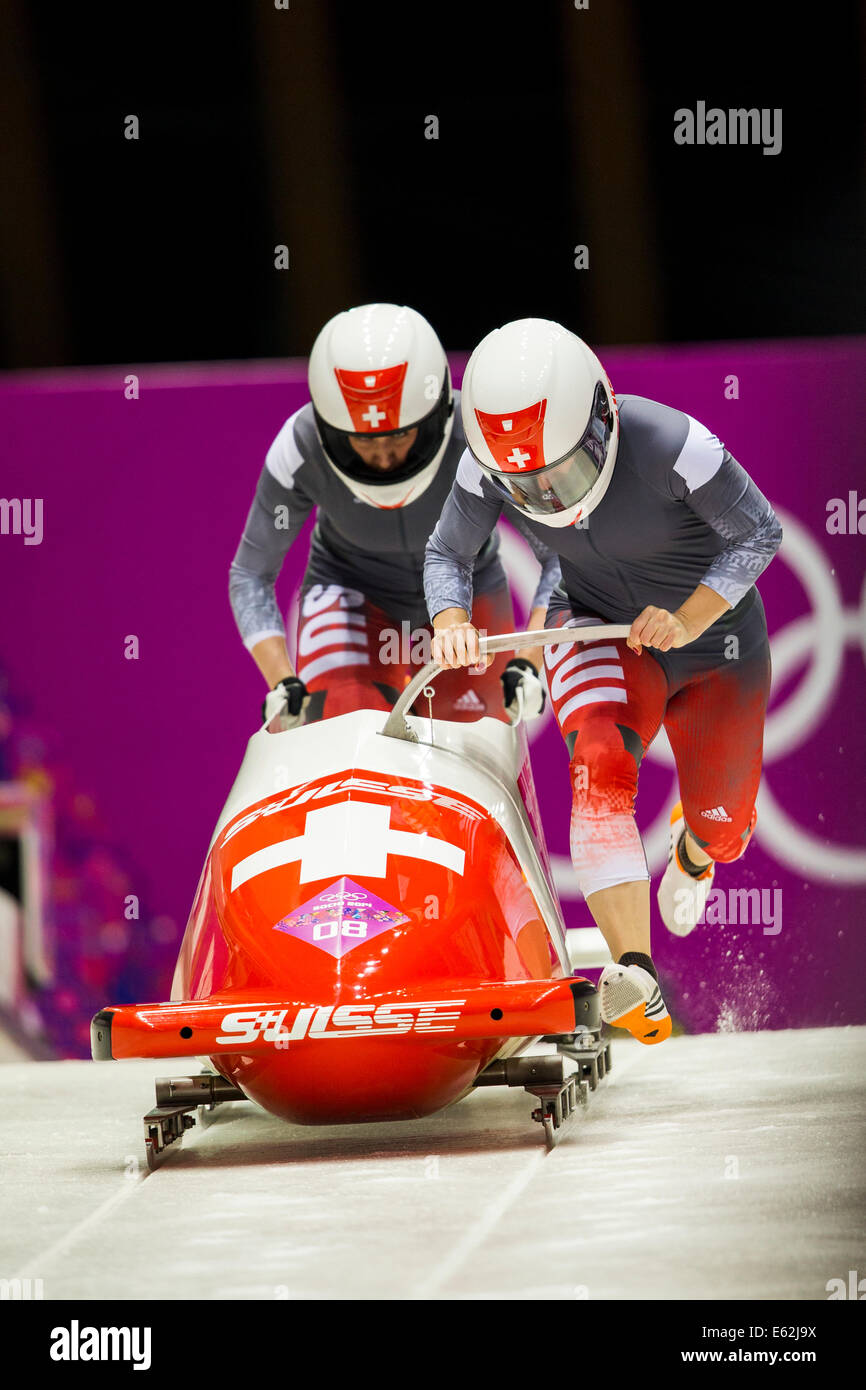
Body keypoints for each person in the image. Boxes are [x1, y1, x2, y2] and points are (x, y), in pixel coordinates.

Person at [425, 318, 782, 1045]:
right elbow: (444, 554)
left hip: (718, 643)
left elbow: (760, 533)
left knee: (726, 831)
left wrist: (688, 617)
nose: (551, 494)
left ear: (603, 415)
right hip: (594, 626)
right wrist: (449, 617)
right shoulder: (481, 463)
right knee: (598, 765)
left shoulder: (676, 446)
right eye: (527, 484)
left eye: (565, 471)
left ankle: (694, 845)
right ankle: (636, 974)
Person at [229, 303, 556, 728]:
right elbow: (251, 574)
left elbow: (558, 557)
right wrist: (282, 681)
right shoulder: (298, 447)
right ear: (329, 426)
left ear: (436, 412)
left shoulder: (480, 437)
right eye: (362, 441)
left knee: (472, 750)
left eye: (400, 433)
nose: (383, 456)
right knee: (348, 738)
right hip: (351, 601)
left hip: (465, 607)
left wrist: (530, 660)